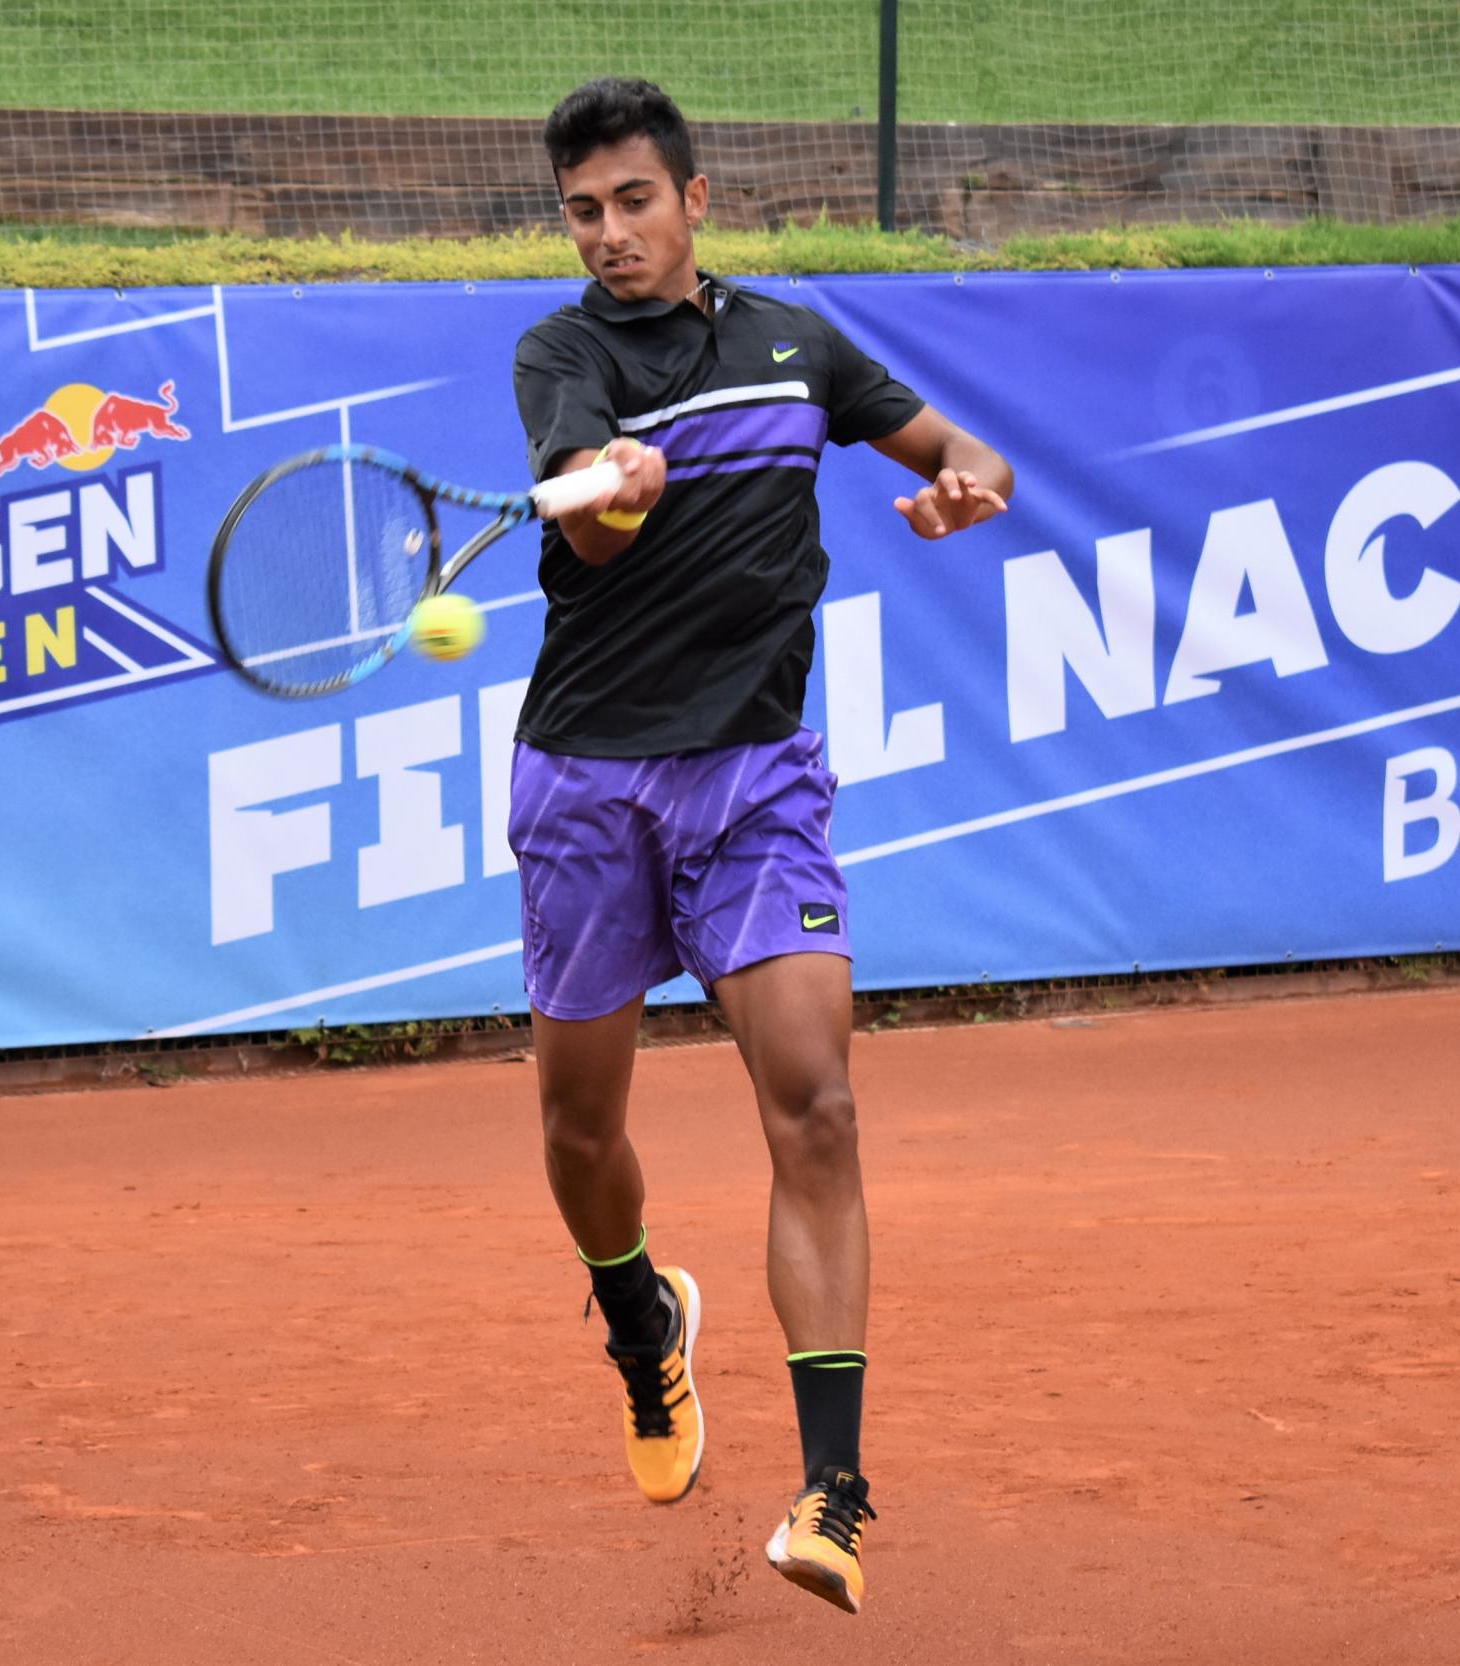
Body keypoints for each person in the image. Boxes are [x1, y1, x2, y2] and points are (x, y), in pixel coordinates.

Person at [508, 76, 1013, 1617]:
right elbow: (587, 523)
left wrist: (964, 488)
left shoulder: (797, 346)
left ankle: (834, 1490)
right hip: (590, 787)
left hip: (756, 786)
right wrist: (612, 501)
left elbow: (956, 452)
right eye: (584, 210)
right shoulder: (563, 354)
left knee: (820, 1104)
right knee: (583, 1135)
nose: (608, 234)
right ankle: (644, 1324)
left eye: (633, 202)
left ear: (694, 197)